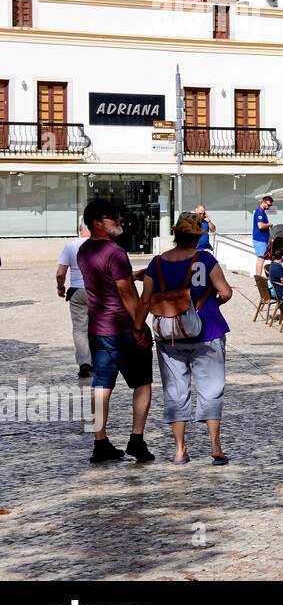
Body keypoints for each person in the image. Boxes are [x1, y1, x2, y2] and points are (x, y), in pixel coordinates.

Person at [134, 213, 232, 465]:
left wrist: (138, 327)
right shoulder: (206, 260)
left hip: (170, 335)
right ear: (197, 236)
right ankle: (215, 446)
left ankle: (179, 449)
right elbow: (226, 292)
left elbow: (145, 300)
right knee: (211, 388)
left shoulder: (157, 263)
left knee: (175, 391)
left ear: (176, 235)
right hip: (207, 330)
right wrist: (210, 304)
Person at [77, 199, 154, 464]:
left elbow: (108, 279)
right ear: (98, 223)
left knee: (101, 386)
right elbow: (125, 292)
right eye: (114, 217)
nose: (120, 219)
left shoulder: (84, 251)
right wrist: (139, 325)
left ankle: (100, 442)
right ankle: (137, 440)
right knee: (142, 383)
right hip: (123, 328)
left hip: (98, 328)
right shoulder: (115, 252)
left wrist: (132, 274)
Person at [56, 224, 93, 379]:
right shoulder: (102, 245)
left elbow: (60, 273)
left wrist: (60, 287)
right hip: (97, 291)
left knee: (80, 329)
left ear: (80, 230)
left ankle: (85, 363)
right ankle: (100, 361)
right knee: (99, 325)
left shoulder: (70, 246)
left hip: (77, 291)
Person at [252, 195, 273, 275]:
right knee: (261, 259)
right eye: (268, 205)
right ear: (264, 202)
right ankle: (258, 277)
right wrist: (269, 225)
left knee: (264, 258)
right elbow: (260, 226)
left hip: (263, 239)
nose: (269, 207)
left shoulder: (262, 212)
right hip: (260, 239)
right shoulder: (259, 212)